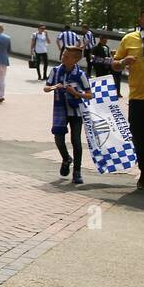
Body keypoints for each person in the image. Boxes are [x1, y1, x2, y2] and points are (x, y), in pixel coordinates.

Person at [44, 45, 92, 185]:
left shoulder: (80, 75)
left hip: (76, 111)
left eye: (66, 56)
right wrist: (54, 87)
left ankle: (77, 172)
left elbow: (89, 95)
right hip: (60, 110)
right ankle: (66, 158)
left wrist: (76, 93)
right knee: (59, 139)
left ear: (75, 60)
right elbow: (46, 87)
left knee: (76, 141)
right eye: (63, 54)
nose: (63, 57)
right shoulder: (55, 71)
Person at [111, 5, 144, 190]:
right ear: (140, 20)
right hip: (138, 98)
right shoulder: (129, 39)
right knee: (139, 137)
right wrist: (123, 62)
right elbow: (114, 64)